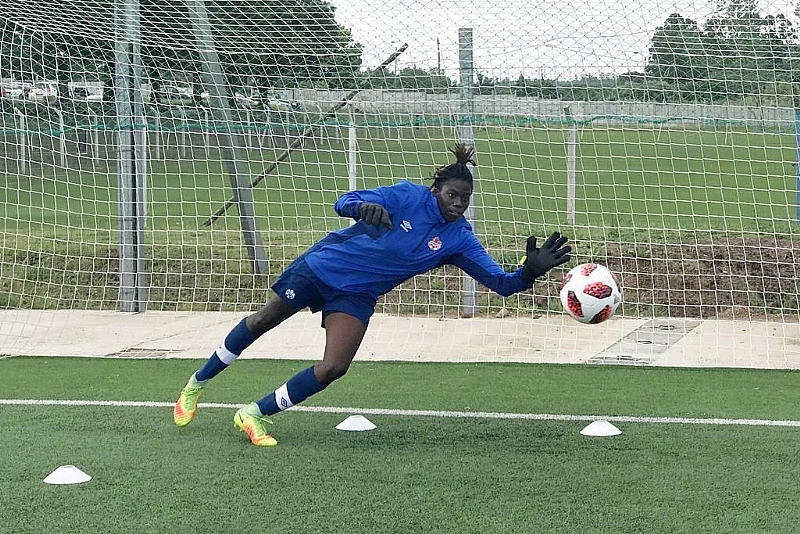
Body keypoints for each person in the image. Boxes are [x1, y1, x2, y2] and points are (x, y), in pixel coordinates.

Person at [173, 143, 572, 446]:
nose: (459, 204)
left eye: (465, 199)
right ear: (437, 190)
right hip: (322, 267)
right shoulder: (405, 196)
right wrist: (361, 209)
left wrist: (529, 271)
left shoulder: (459, 239)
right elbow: (342, 200)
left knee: (334, 368)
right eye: (453, 195)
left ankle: (252, 413)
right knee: (262, 321)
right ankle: (196, 385)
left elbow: (502, 284)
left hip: (358, 295)